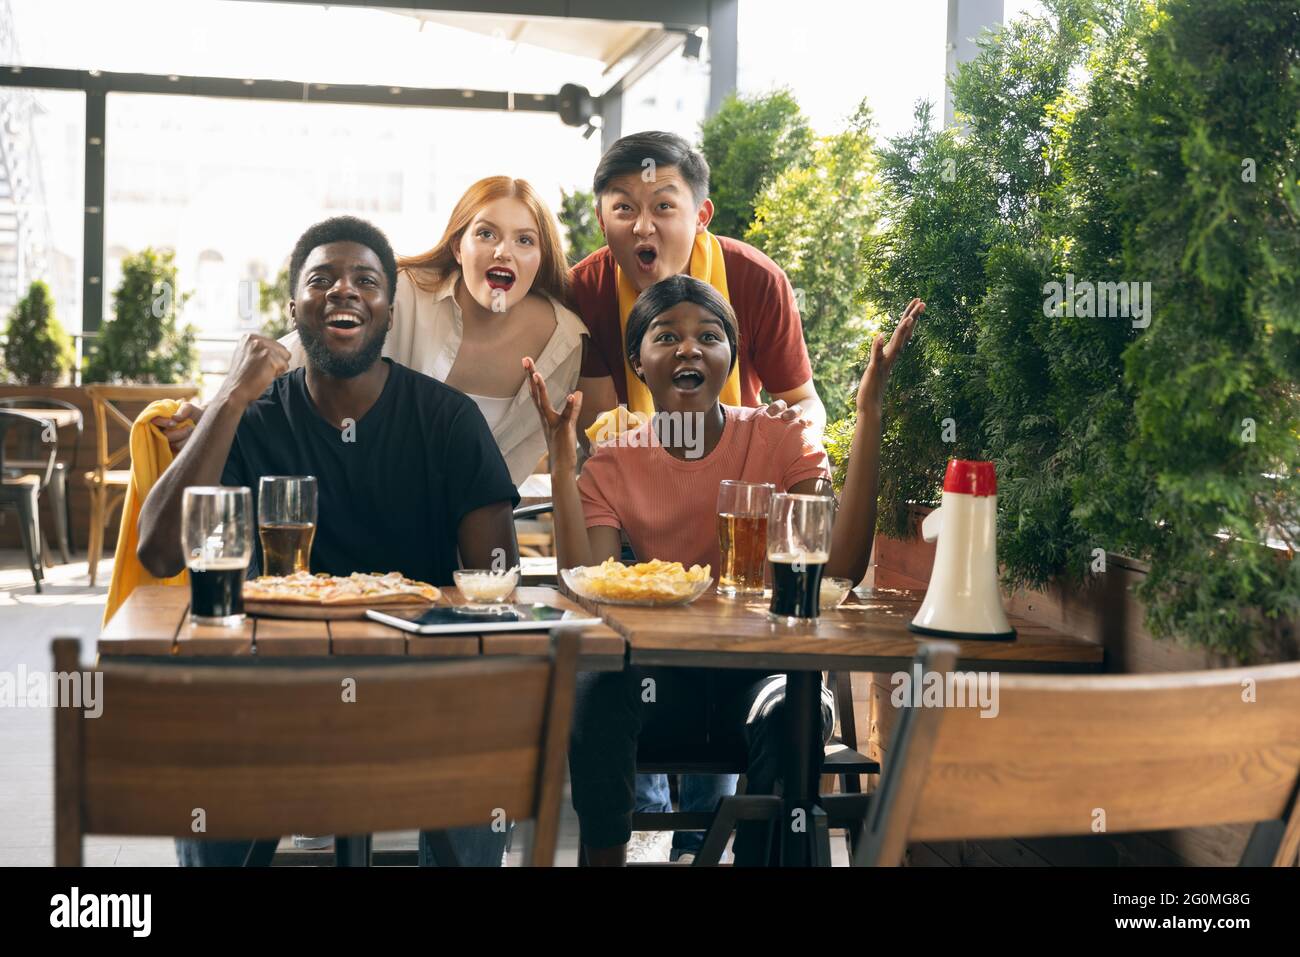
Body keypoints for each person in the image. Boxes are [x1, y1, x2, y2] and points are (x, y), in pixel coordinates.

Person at [138, 215, 521, 866]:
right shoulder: (249, 417)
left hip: (416, 683)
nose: (344, 290)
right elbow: (161, 552)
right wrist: (229, 395)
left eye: (365, 280)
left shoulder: (447, 419)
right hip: (271, 682)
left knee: (487, 731)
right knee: (204, 742)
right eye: (322, 279)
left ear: (389, 311)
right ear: (294, 309)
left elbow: (496, 584)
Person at [525, 275, 923, 865]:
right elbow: (590, 585)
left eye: (709, 336)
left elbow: (839, 568)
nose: (689, 348)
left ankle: (761, 859)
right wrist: (562, 462)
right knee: (595, 694)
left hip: (763, 678)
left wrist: (869, 411)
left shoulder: (781, 437)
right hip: (663, 687)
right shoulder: (613, 463)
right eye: (667, 336)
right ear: (639, 361)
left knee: (796, 715)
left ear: (730, 358)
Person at [566, 130, 829, 861]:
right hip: (644, 518)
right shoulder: (588, 288)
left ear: (701, 212)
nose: (643, 225)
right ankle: (643, 838)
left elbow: (804, 403)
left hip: (741, 511)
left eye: (663, 206)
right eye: (624, 208)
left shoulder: (753, 278)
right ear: (602, 219)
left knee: (757, 686)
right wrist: (621, 459)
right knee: (617, 664)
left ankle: (716, 837)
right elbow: (598, 424)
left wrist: (791, 462)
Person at [157, 177, 587, 486]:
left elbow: (514, 464)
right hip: (365, 497)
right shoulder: (403, 293)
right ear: (459, 247)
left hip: (462, 538)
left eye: (524, 240)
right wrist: (214, 413)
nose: (503, 251)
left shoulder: (564, 342)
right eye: (486, 233)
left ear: (541, 255)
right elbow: (305, 349)